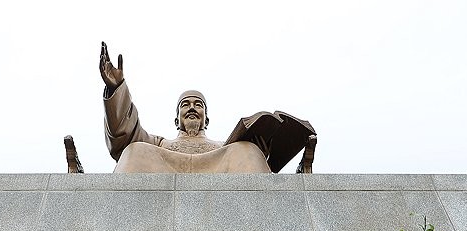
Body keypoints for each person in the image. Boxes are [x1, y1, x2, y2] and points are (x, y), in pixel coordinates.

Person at [99, 42, 314, 174]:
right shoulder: (159, 143)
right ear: (176, 120)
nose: (192, 108)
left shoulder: (225, 147)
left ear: (206, 119)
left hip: (216, 170)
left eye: (198, 105)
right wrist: (117, 88)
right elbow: (123, 134)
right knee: (135, 149)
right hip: (167, 170)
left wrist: (258, 152)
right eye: (186, 105)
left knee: (246, 151)